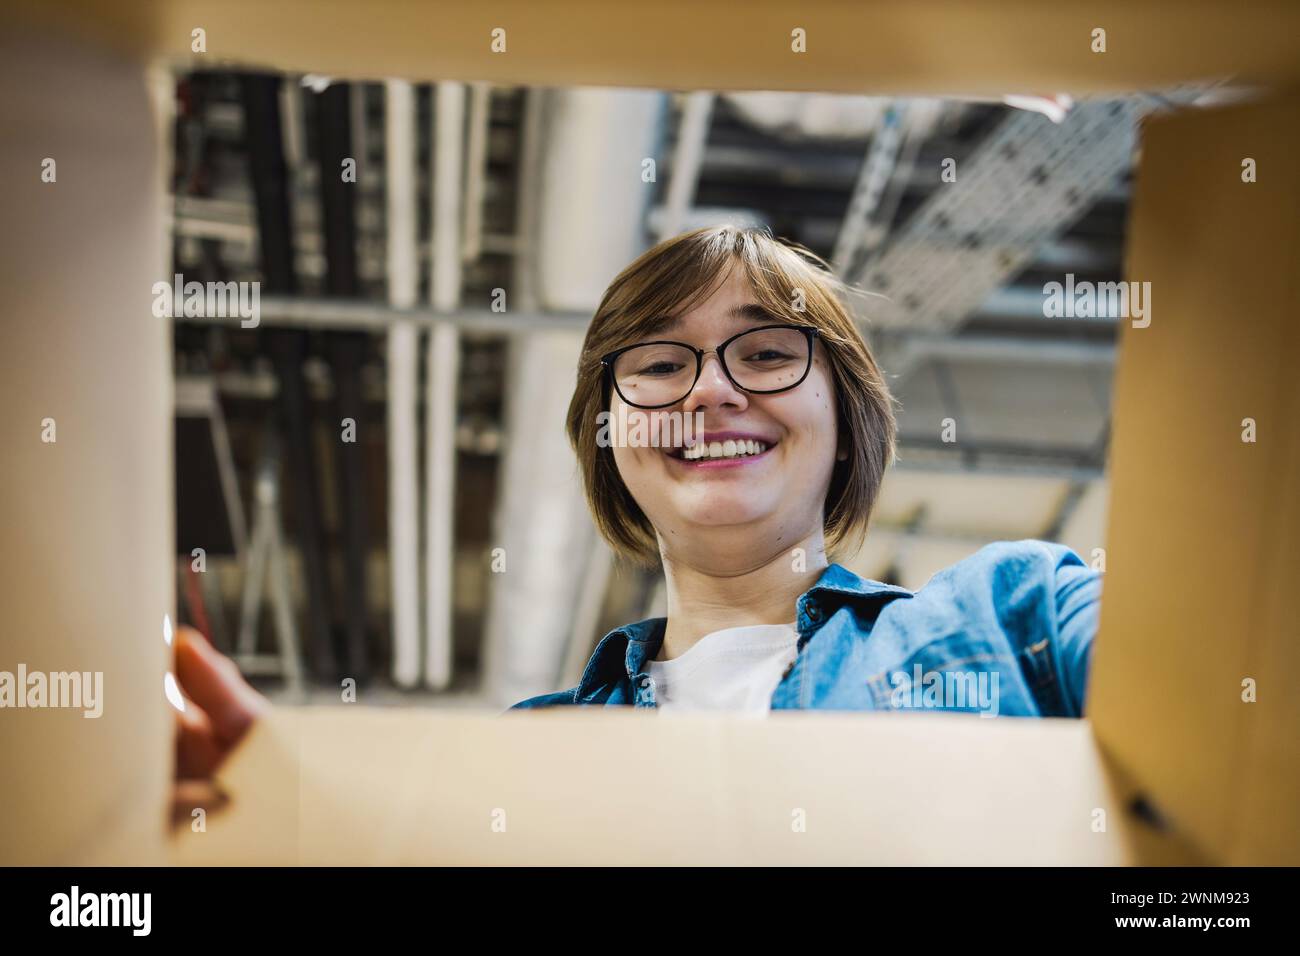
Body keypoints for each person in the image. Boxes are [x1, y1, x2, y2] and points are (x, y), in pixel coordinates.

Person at [170, 225, 1101, 801]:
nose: (711, 394)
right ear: (612, 436)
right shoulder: (521, 761)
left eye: (767, 354)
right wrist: (275, 805)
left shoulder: (1014, 616)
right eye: (660, 365)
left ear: (845, 416)